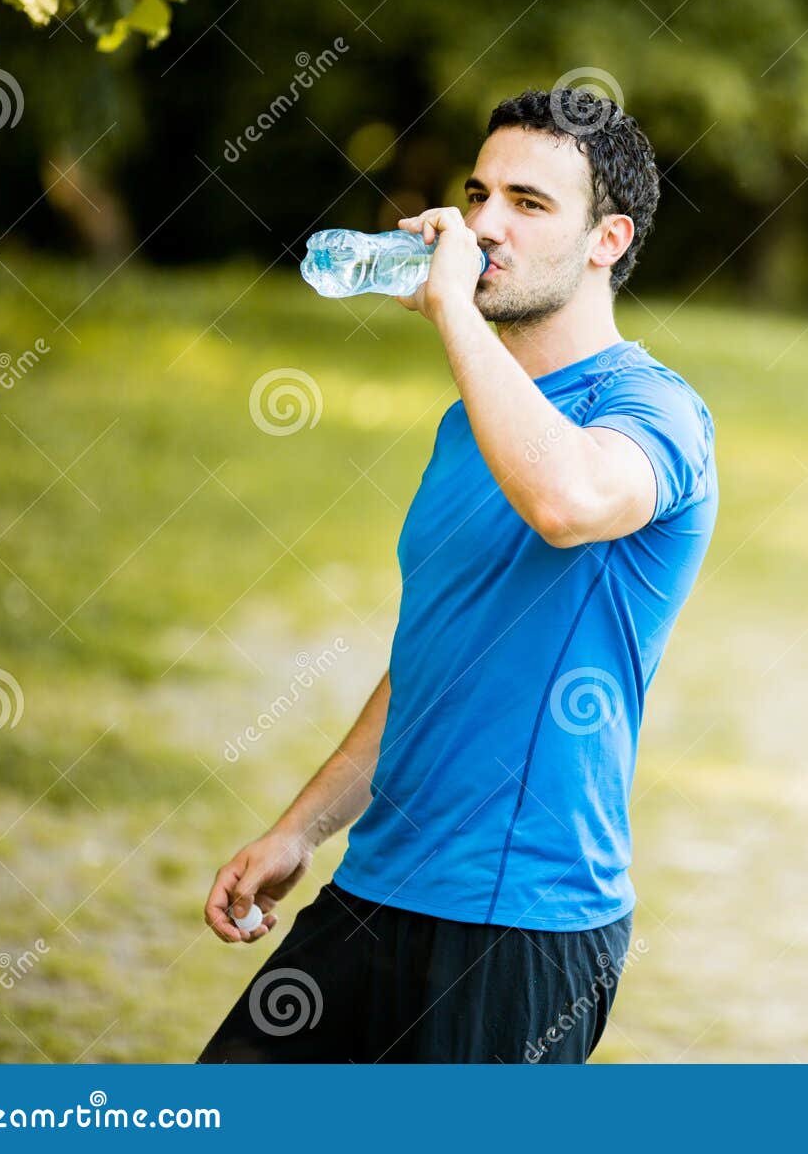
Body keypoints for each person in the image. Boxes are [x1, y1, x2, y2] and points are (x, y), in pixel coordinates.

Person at [196, 87, 717, 1063]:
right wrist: (301, 830)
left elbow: (568, 500)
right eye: (478, 194)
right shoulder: (470, 424)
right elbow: (434, 658)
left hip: (520, 925)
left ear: (607, 240)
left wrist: (453, 314)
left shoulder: (656, 410)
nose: (483, 226)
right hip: (373, 889)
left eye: (529, 203)